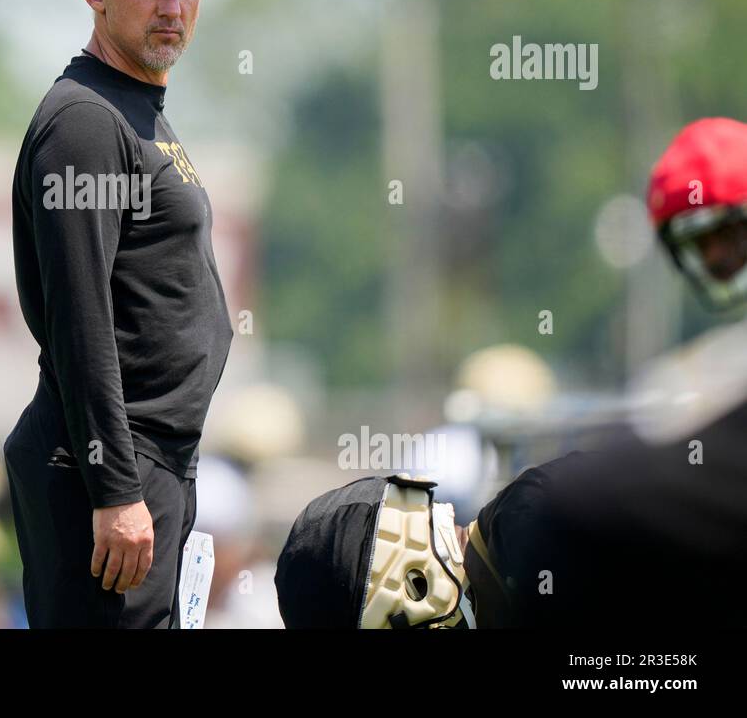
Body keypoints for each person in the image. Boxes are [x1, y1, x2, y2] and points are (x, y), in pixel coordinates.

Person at [275, 117, 747, 628]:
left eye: (728, 237)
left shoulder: (544, 529)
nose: (720, 261)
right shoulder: (522, 537)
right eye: (704, 246)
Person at [4, 0, 233, 628]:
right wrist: (114, 487)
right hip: (107, 466)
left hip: (150, 462)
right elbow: (80, 320)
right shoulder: (85, 122)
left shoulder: (137, 112)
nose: (172, 4)